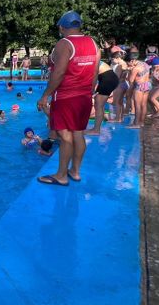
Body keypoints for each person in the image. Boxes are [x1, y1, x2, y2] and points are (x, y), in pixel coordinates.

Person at [36, 11, 99, 186]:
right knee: (78, 133)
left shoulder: (64, 44)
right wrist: (89, 93)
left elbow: (59, 73)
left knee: (65, 136)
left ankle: (61, 175)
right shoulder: (93, 43)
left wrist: (45, 95)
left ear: (62, 27)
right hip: (84, 96)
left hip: (65, 97)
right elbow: (95, 72)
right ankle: (75, 171)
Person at [87, 59, 120, 135]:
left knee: (98, 105)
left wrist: (92, 90)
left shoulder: (90, 61)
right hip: (109, 78)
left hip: (107, 79)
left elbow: (94, 76)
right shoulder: (91, 59)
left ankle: (96, 130)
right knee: (98, 105)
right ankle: (96, 129)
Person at [126, 55, 151, 128]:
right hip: (147, 84)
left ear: (132, 61)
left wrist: (129, 71)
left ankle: (136, 124)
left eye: (128, 63)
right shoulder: (145, 64)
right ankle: (141, 122)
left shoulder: (136, 68)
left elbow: (131, 80)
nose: (128, 65)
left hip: (139, 86)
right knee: (144, 105)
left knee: (137, 106)